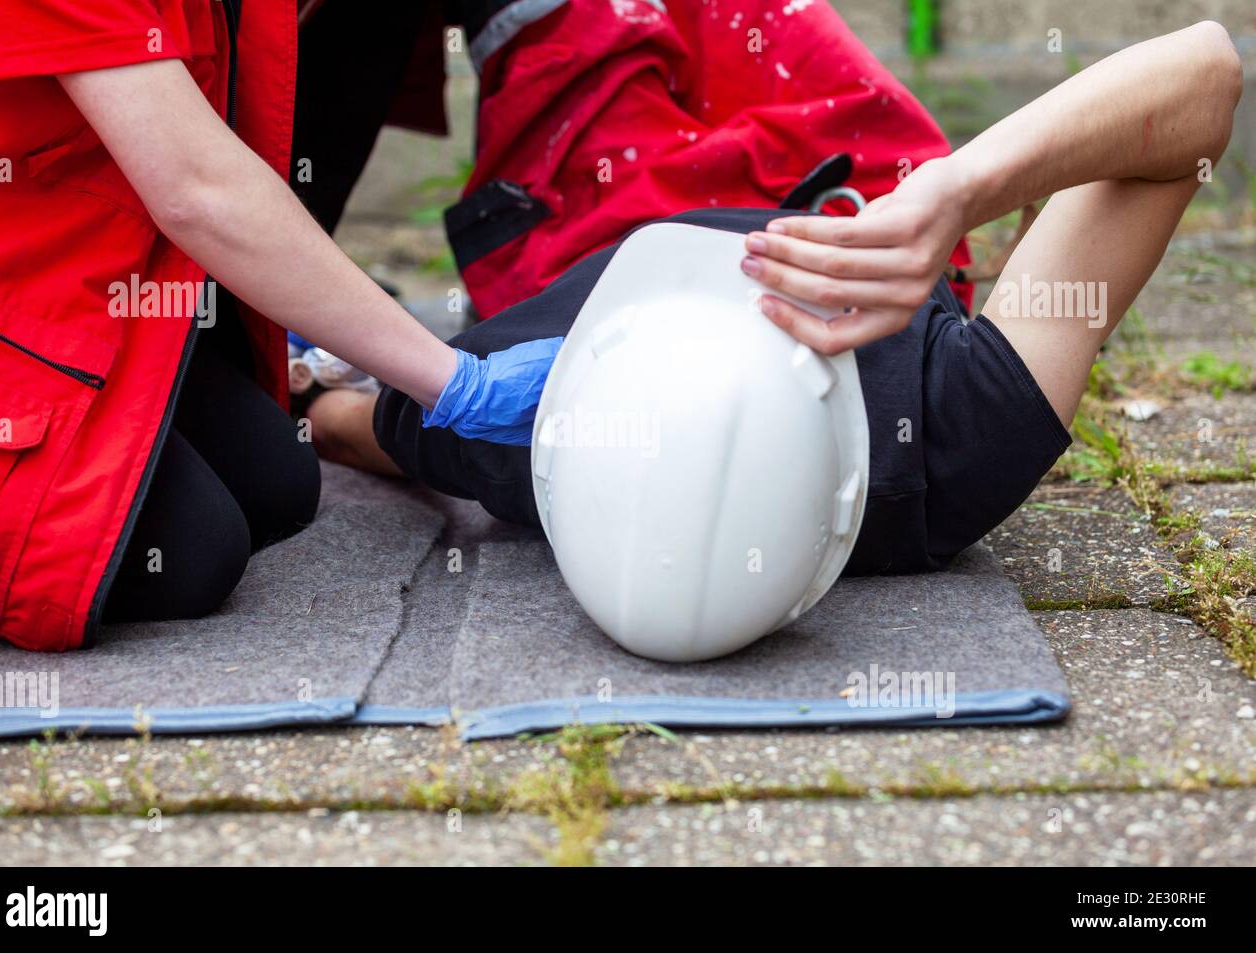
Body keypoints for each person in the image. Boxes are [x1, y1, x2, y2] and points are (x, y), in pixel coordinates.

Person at [312, 22, 1243, 574]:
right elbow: (1203, 75)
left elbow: (365, 423)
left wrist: (312, 400)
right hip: (847, 182)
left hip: (576, 216)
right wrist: (951, 192)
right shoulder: (960, 432)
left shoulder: (533, 432)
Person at [0, 1, 560, 651]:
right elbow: (198, 189)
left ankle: (324, 397)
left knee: (279, 484)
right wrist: (452, 382)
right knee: (185, 557)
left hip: (55, 263)